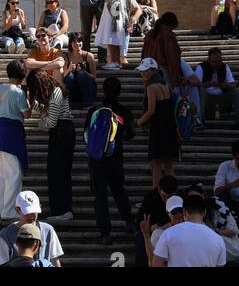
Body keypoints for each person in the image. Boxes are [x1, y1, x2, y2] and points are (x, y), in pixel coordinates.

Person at [85, 74, 135, 244]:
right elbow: (131, 134)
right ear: (119, 92)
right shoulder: (124, 112)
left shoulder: (94, 111)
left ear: (103, 90)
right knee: (119, 191)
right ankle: (128, 221)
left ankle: (105, 232)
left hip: (97, 159)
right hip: (115, 157)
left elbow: (86, 134)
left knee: (100, 195)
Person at [25, 67, 74, 223]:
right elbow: (49, 113)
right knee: (57, 172)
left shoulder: (56, 93)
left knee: (58, 172)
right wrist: (35, 106)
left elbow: (50, 121)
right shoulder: (55, 92)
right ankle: (60, 208)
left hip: (62, 131)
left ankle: (63, 209)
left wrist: (41, 122)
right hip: (63, 131)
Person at [0, 59, 29, 220]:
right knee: (13, 175)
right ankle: (9, 211)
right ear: (22, 75)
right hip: (12, 134)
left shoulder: (0, 88)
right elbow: (26, 113)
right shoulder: (18, 93)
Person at [149, 191, 227, 267]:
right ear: (204, 213)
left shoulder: (168, 234)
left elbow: (156, 264)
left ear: (184, 212)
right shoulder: (218, 239)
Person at [136, 57, 179, 187]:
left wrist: (139, 122)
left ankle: (156, 194)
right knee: (169, 165)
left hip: (159, 129)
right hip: (170, 127)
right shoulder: (165, 84)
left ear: (154, 70)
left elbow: (151, 111)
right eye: (143, 71)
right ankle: (173, 193)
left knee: (156, 164)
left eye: (147, 70)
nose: (144, 73)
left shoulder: (151, 87)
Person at [0, 190, 64, 267]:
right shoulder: (6, 234)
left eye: (34, 212)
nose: (31, 216)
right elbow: (0, 263)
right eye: (27, 212)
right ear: (17, 210)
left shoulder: (48, 230)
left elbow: (55, 259)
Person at [95, 0, 140, 69]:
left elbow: (138, 9)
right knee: (110, 54)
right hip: (114, 24)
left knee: (122, 56)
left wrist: (131, 21)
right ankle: (116, 66)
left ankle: (123, 71)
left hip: (123, 27)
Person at [133, 173, 180, 267]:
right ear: (159, 189)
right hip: (155, 230)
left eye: (170, 197)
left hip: (177, 230)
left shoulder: (180, 198)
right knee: (141, 237)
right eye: (165, 196)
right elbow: (140, 220)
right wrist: (151, 227)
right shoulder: (150, 198)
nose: (167, 199)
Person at [194, 47, 239, 127]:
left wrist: (226, 85)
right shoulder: (201, 67)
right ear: (208, 60)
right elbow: (196, 85)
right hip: (207, 101)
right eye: (214, 62)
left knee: (235, 91)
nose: (216, 64)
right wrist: (209, 84)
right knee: (201, 90)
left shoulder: (224, 67)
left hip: (222, 100)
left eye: (219, 61)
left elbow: (233, 84)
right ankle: (200, 119)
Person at [142, 12, 184, 90]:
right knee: (165, 97)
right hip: (162, 71)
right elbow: (172, 57)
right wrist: (176, 76)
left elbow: (143, 54)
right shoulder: (168, 35)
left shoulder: (150, 34)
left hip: (148, 70)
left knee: (151, 97)